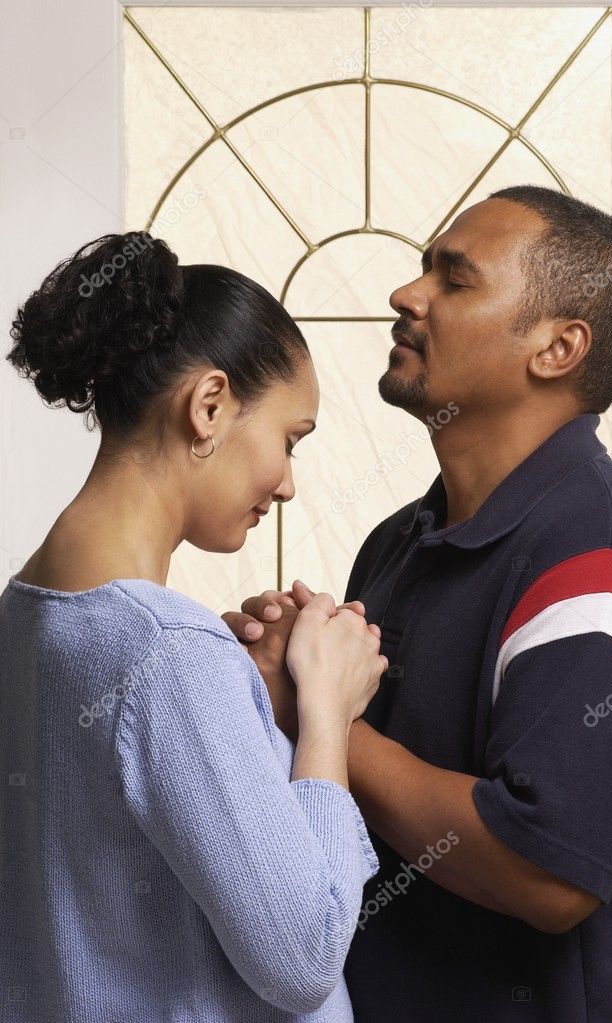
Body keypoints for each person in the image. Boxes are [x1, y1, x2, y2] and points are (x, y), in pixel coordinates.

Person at [226, 186, 612, 1023]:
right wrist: (273, 669)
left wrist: (316, 713)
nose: (407, 294)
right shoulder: (398, 539)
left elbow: (550, 872)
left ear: (558, 347)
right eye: (420, 268)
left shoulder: (603, 558)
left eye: (454, 278)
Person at [0, 232, 388, 1022]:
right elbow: (306, 954)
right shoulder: (169, 650)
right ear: (208, 406)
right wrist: (325, 711)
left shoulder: (25, 613)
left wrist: (246, 697)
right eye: (289, 439)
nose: (285, 483)